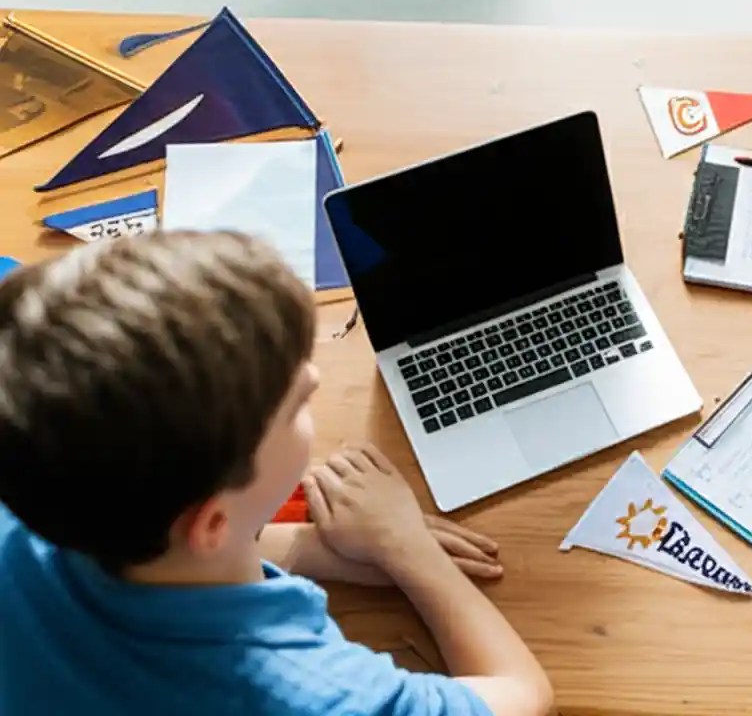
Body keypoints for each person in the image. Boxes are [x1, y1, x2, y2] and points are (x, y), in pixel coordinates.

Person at [0, 230, 554, 716]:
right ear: (211, 523)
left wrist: (316, 548)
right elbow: (525, 696)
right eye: (297, 407)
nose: (313, 379)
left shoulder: (33, 468)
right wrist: (411, 551)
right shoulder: (311, 696)